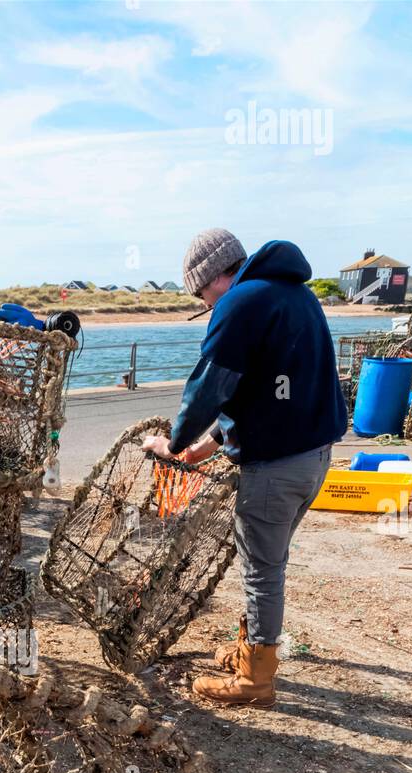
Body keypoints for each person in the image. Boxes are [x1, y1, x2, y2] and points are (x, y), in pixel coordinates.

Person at [143, 228, 347, 707]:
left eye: (200, 294)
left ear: (214, 277)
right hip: (315, 458)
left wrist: (175, 443)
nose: (206, 304)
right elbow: (255, 393)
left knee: (261, 570)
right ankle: (251, 647)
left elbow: (210, 388)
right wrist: (206, 446)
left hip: (276, 467)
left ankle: (256, 679)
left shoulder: (240, 304)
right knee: (268, 562)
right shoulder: (297, 295)